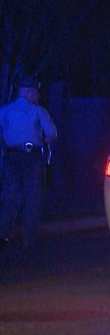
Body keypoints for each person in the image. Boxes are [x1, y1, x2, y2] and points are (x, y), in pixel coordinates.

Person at [0, 76, 59, 249]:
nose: (37, 95)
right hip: (31, 157)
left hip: (11, 157)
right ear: (27, 91)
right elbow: (52, 135)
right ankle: (29, 239)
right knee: (32, 197)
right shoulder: (38, 111)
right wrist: (41, 139)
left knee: (10, 195)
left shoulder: (5, 111)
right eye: (35, 91)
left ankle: (4, 235)